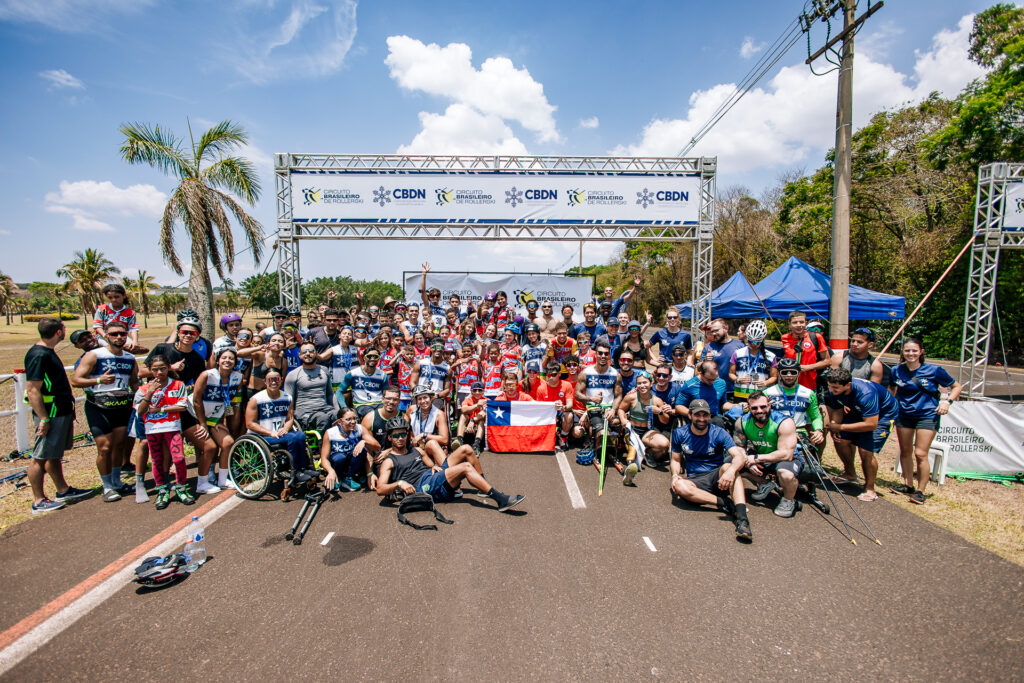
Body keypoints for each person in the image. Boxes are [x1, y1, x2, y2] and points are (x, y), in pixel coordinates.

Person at [376, 417, 525, 511]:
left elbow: (429, 464)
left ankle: (482, 487)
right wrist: (399, 484)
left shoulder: (415, 450)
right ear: (389, 437)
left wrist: (432, 466)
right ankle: (500, 499)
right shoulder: (389, 461)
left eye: (403, 434)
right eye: (396, 435)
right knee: (466, 467)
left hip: (431, 476)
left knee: (466, 449)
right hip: (423, 487)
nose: (400, 438)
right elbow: (380, 488)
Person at [24, 318, 94, 513]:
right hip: (51, 412)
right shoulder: (38, 354)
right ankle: (38, 500)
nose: (65, 331)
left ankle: (63, 490)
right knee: (39, 456)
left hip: (61, 410)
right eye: (63, 328)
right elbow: (32, 389)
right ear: (58, 332)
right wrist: (44, 418)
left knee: (53, 454)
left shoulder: (47, 352)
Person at [70, 320, 138, 502]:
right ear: (105, 336)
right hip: (99, 407)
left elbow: (134, 383)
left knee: (119, 445)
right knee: (105, 447)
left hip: (122, 406)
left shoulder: (129, 358)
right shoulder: (94, 355)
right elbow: (76, 380)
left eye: (122, 334)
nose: (119, 337)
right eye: (114, 334)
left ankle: (117, 482)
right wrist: (99, 381)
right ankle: (106, 486)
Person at [889, 337, 961, 505]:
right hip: (904, 414)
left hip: (927, 414)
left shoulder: (934, 370)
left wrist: (947, 402)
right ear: (902, 352)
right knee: (905, 451)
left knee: (920, 453)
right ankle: (908, 485)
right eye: (907, 350)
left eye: (914, 350)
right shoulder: (896, 371)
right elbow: (892, 388)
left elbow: (956, 387)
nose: (910, 354)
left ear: (921, 352)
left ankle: (921, 491)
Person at [823, 367, 899, 502]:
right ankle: (850, 473)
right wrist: (835, 425)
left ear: (848, 385)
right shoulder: (834, 389)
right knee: (840, 440)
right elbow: (837, 408)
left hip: (882, 415)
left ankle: (870, 487)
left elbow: (871, 424)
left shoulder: (866, 394)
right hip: (858, 411)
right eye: (829, 386)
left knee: (865, 451)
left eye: (835, 387)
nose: (831, 390)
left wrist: (840, 426)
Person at [134, 354, 195, 509]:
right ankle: (162, 489)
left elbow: (182, 407)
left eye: (162, 368)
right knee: (157, 461)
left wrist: (160, 409)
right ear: (150, 371)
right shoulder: (143, 388)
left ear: (168, 367)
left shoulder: (178, 385)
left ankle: (181, 487)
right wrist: (149, 393)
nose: (159, 372)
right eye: (155, 369)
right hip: (152, 429)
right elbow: (140, 411)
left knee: (179, 458)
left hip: (172, 427)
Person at [735, 391, 802, 518]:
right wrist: (747, 462)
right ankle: (765, 483)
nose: (759, 411)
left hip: (784, 459)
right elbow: (739, 447)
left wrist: (755, 458)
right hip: (760, 457)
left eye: (763, 407)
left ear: (769, 405)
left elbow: (786, 454)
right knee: (732, 464)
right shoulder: (742, 422)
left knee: (785, 474)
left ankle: (788, 500)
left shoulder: (784, 422)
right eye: (754, 408)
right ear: (749, 408)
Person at [193, 348, 245, 493]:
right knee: (210, 447)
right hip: (196, 418)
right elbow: (196, 401)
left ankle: (223, 479)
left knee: (228, 442)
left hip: (214, 419)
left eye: (231, 358)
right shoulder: (207, 375)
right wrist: (203, 423)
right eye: (224, 358)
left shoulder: (237, 377)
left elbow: (228, 401)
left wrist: (222, 422)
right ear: (217, 360)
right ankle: (202, 483)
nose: (227, 361)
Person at [244, 368, 309, 470]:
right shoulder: (256, 399)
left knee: (300, 435)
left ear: (281, 379)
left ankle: (304, 468)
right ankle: (295, 470)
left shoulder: (287, 398)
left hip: (279, 434)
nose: (274, 382)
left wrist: (286, 428)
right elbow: (250, 424)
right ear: (265, 382)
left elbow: (290, 418)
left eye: (277, 379)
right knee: (294, 438)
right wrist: (270, 432)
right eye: (270, 380)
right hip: (261, 437)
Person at [617, 370, 672, 479]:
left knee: (664, 444)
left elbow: (665, 420)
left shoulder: (657, 400)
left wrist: (660, 412)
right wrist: (623, 420)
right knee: (632, 455)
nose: (642, 386)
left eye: (645, 383)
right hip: (632, 430)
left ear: (651, 384)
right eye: (639, 383)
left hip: (647, 431)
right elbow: (620, 409)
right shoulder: (631, 397)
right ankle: (629, 472)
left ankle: (647, 453)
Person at [765, 357, 826, 454]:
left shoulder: (808, 393)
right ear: (779, 373)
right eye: (785, 372)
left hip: (800, 434)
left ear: (798, 373)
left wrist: (818, 430)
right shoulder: (768, 393)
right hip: (775, 434)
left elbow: (816, 416)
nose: (789, 376)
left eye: (793, 372)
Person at [575, 340, 622, 449]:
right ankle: (597, 441)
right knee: (603, 434)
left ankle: (608, 445)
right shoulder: (586, 373)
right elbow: (577, 394)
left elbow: (618, 395)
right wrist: (591, 398)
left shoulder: (615, 374)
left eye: (606, 353)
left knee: (621, 426)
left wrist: (613, 409)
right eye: (600, 353)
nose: (603, 356)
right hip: (593, 409)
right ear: (595, 354)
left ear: (609, 355)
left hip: (609, 410)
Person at [284, 341, 339, 433]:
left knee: (344, 415)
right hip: (305, 413)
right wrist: (290, 419)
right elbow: (289, 400)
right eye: (304, 352)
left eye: (311, 351)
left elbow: (330, 394)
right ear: (299, 355)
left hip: (325, 409)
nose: (308, 354)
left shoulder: (324, 370)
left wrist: (339, 411)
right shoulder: (293, 374)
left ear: (316, 353)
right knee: (322, 418)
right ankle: (323, 446)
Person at [321, 408, 374, 492]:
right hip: (337, 462)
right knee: (339, 457)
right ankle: (336, 477)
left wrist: (364, 441)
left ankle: (348, 478)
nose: (353, 422)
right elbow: (324, 459)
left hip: (352, 463)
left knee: (362, 451)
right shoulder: (330, 433)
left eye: (354, 418)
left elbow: (377, 446)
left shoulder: (359, 428)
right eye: (348, 419)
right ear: (339, 422)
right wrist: (330, 471)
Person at [728, 319, 778, 402]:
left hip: (760, 395)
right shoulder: (737, 353)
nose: (753, 344)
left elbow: (774, 376)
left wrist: (766, 383)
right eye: (750, 341)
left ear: (762, 340)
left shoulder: (771, 356)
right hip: (740, 394)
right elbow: (731, 373)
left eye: (757, 342)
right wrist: (737, 380)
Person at [406, 384, 454, 468]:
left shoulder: (439, 414)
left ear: (431, 398)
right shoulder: (411, 409)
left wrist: (423, 435)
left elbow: (445, 439)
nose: (423, 401)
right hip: (414, 447)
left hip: (429, 448)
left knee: (432, 443)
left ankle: (446, 471)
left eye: (425, 397)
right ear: (416, 401)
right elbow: (403, 427)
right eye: (419, 399)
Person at [781, 311, 830, 392]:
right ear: (789, 324)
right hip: (788, 385)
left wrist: (808, 367)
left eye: (801, 322)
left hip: (809, 385)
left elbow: (827, 361)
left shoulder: (816, 337)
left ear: (806, 323)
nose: (799, 325)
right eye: (795, 322)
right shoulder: (784, 338)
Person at [698, 319, 745, 397]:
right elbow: (698, 368)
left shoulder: (740, 346)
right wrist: (704, 361)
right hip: (714, 390)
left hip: (735, 390)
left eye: (716, 330)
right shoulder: (709, 347)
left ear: (726, 329)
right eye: (712, 331)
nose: (714, 333)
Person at [677, 360, 732, 426]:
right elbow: (679, 406)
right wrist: (693, 415)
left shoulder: (721, 383)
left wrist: (736, 406)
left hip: (715, 419)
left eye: (714, 379)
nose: (712, 382)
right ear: (701, 374)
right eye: (709, 380)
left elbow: (723, 404)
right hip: (697, 421)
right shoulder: (690, 385)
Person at [341, 348, 389, 419]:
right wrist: (344, 407)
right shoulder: (353, 374)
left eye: (375, 356)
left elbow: (387, 393)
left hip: (379, 403)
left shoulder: (383, 375)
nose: (372, 359)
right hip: (362, 404)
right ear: (364, 357)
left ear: (378, 358)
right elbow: (339, 391)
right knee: (372, 414)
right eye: (369, 356)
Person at [92, 283, 140, 351]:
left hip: (121, 336)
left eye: (116, 297)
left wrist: (135, 341)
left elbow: (133, 329)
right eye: (110, 297)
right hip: (104, 337)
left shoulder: (130, 312)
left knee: (129, 347)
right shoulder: (102, 309)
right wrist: (105, 336)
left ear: (123, 296)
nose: (114, 300)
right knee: (111, 349)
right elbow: (97, 326)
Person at [411, 338, 452, 412]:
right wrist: (419, 393)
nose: (438, 350)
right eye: (435, 347)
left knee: (435, 412)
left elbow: (447, 390)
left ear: (443, 350)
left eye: (441, 348)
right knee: (413, 411)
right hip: (420, 394)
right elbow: (412, 382)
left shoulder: (447, 368)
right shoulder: (420, 363)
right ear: (430, 348)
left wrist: (436, 396)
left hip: (436, 397)